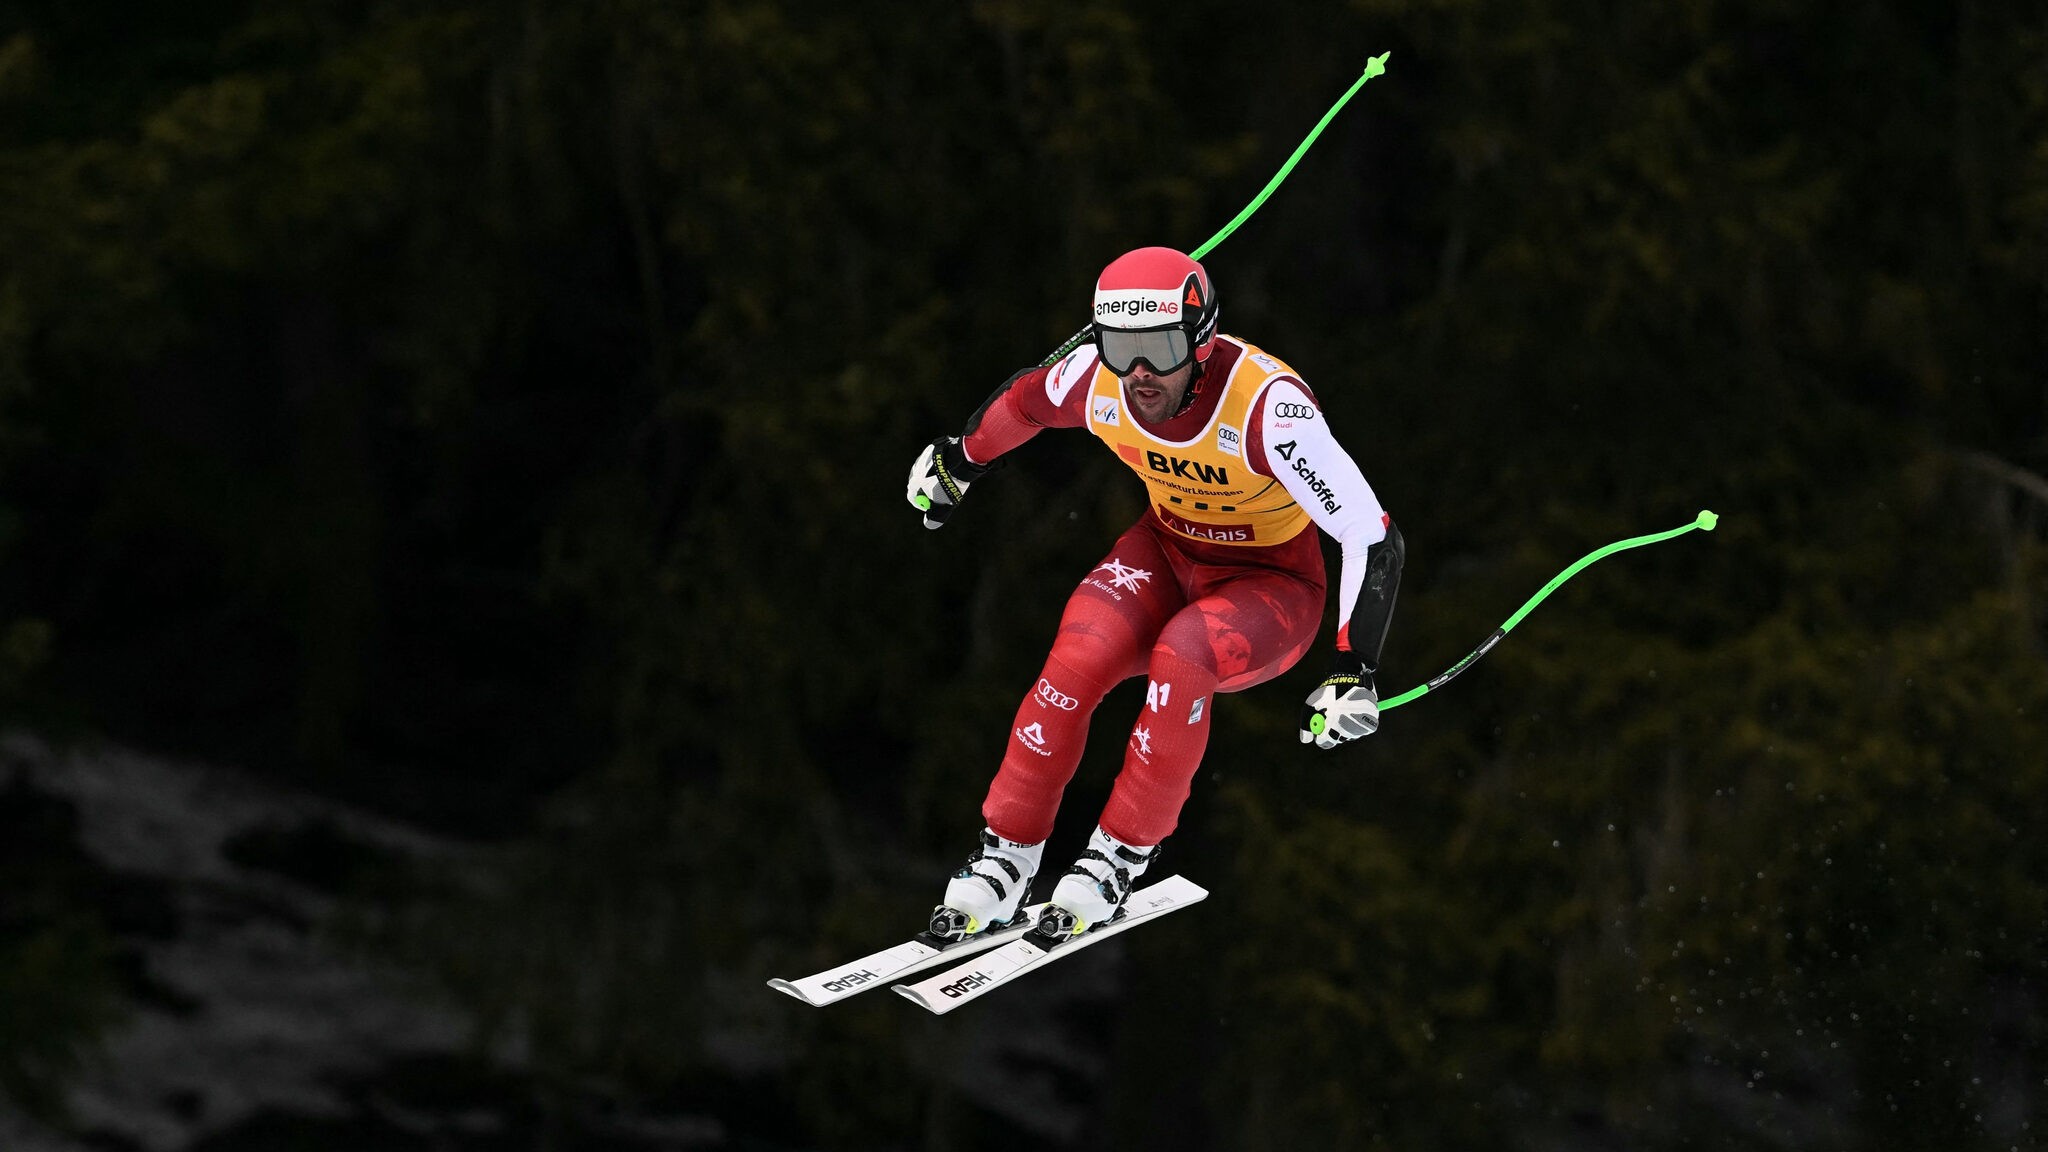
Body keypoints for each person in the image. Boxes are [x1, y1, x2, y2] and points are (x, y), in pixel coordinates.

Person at [906, 246, 1403, 941]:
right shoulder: (1101, 381)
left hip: (1272, 586)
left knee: (1184, 652)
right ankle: (1005, 860)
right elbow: (1024, 402)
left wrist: (1355, 668)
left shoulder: (1268, 409)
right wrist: (959, 462)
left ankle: (1115, 857)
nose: (1140, 373)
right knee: (1077, 657)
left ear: (1200, 339)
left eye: (1162, 349)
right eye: (1120, 348)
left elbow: (1371, 534)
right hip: (1168, 552)